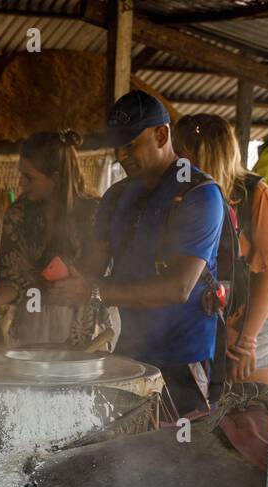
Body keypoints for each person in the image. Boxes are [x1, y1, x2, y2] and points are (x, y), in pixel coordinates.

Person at [87, 91, 226, 419]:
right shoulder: (116, 195)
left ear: (162, 134)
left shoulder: (199, 194)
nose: (121, 155)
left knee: (180, 459)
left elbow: (178, 288)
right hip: (130, 357)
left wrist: (96, 292)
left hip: (184, 361)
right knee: (123, 457)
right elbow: (91, 262)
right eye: (117, 147)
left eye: (131, 145)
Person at [173, 113, 268, 386]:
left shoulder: (253, 195)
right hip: (205, 325)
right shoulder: (185, 198)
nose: (176, 165)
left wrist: (245, 341)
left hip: (251, 328)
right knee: (206, 415)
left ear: (205, 154)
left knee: (250, 409)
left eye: (182, 156)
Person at [0, 130, 101, 346]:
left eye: (29, 177)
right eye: (21, 174)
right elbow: (13, 278)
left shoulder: (93, 213)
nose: (21, 183)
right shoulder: (19, 214)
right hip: (32, 322)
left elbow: (101, 280)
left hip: (84, 327)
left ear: (55, 178)